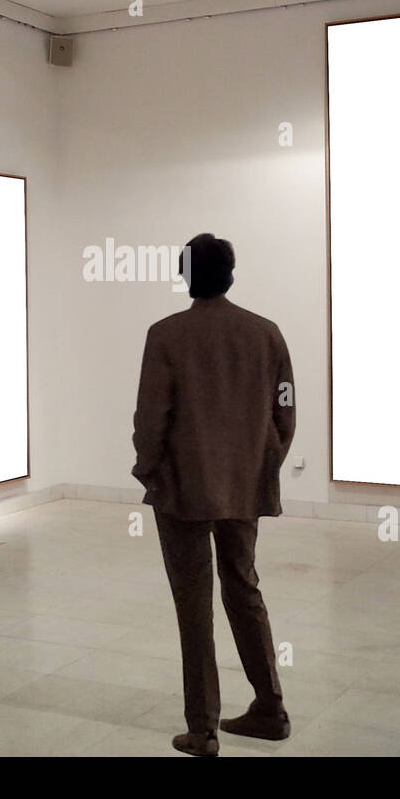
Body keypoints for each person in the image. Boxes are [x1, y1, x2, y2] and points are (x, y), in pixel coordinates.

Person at [131, 233, 295, 756]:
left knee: (194, 605)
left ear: (185, 277)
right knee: (244, 588)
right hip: (243, 487)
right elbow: (284, 410)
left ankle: (202, 729)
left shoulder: (166, 336)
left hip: (182, 488)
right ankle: (270, 706)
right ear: (231, 275)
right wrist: (260, 464)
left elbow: (151, 416)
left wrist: (148, 468)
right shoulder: (267, 335)